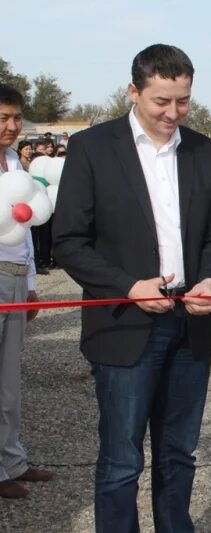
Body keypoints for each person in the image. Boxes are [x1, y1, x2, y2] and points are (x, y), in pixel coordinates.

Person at [52, 44, 211, 531]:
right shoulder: (92, 148)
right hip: (125, 326)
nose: (173, 113)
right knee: (121, 459)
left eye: (183, 101)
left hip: (190, 325)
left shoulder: (202, 151)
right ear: (133, 91)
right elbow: (68, 241)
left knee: (179, 452)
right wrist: (128, 285)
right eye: (161, 101)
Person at [0, 84, 53, 501]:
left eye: (16, 117)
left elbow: (26, 228)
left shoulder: (15, 162)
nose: (12, 126)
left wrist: (32, 284)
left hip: (16, 276)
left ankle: (12, 460)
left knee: (10, 379)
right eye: (3, 118)